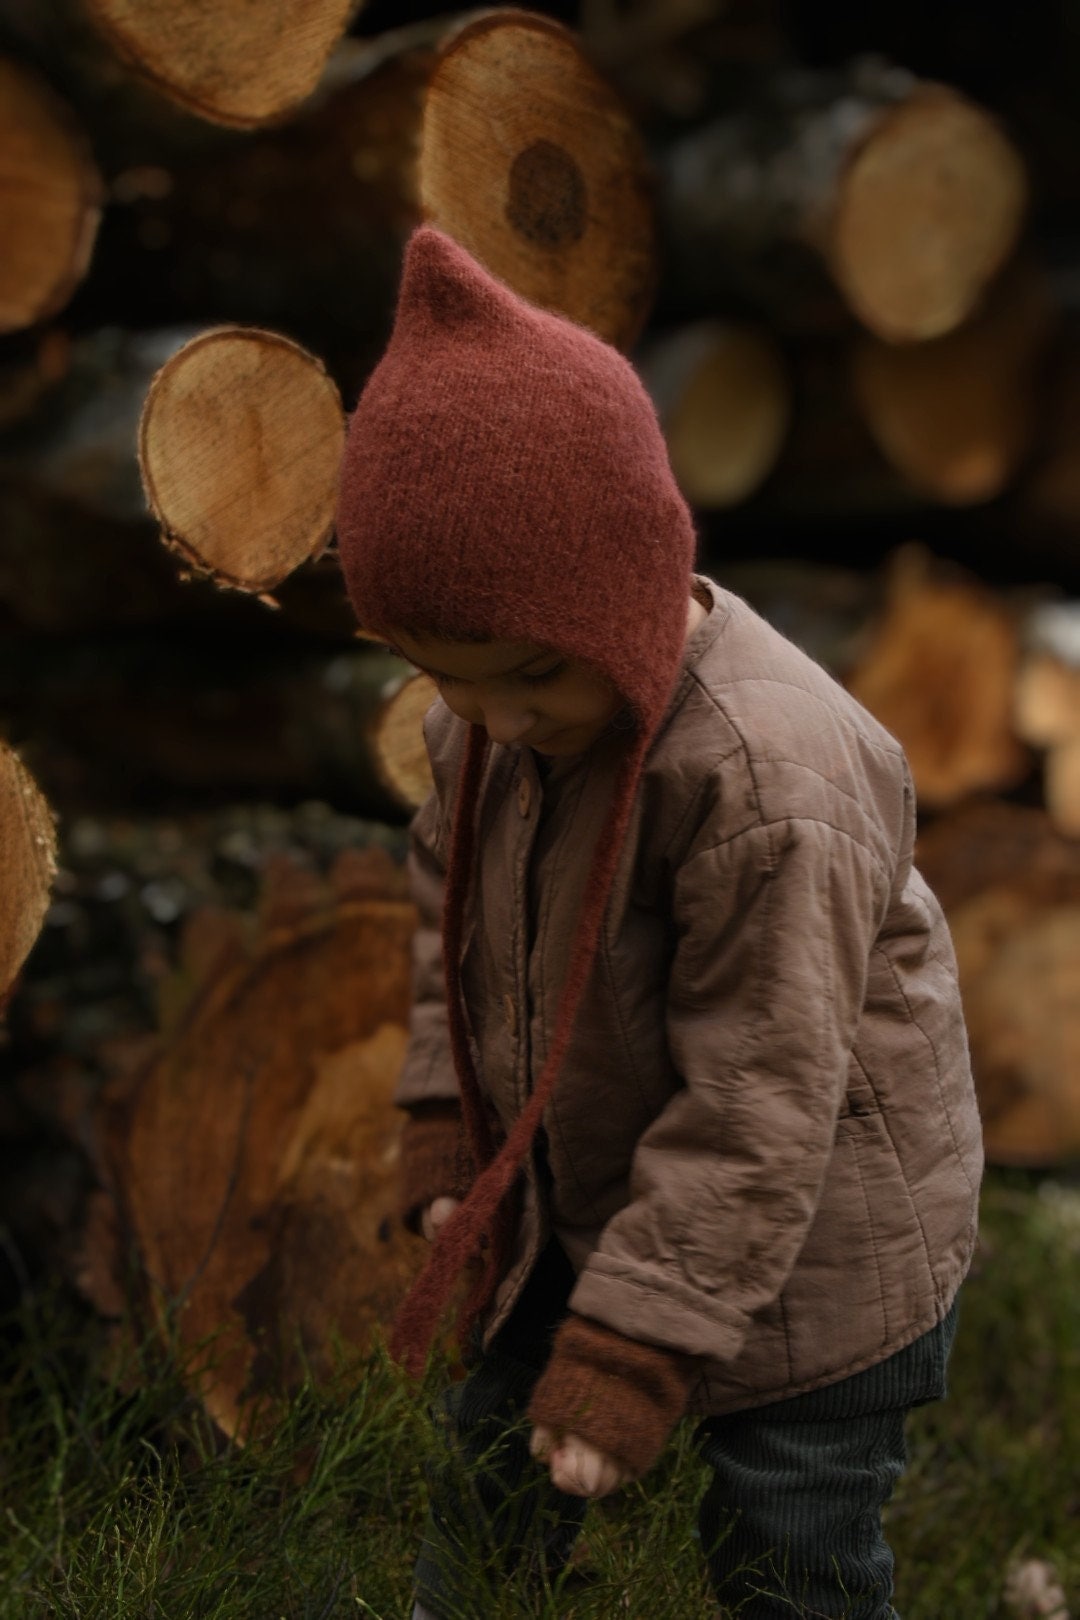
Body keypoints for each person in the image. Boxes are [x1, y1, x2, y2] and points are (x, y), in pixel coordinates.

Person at [334, 225, 983, 1620]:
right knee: (491, 1484)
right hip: (597, 1176)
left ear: (625, 587)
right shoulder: (488, 729)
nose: (494, 720)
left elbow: (762, 1099)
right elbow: (452, 932)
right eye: (445, 679)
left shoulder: (768, 785)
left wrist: (633, 1349)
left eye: (527, 676)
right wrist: (451, 1125)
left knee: (785, 1542)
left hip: (819, 1237)